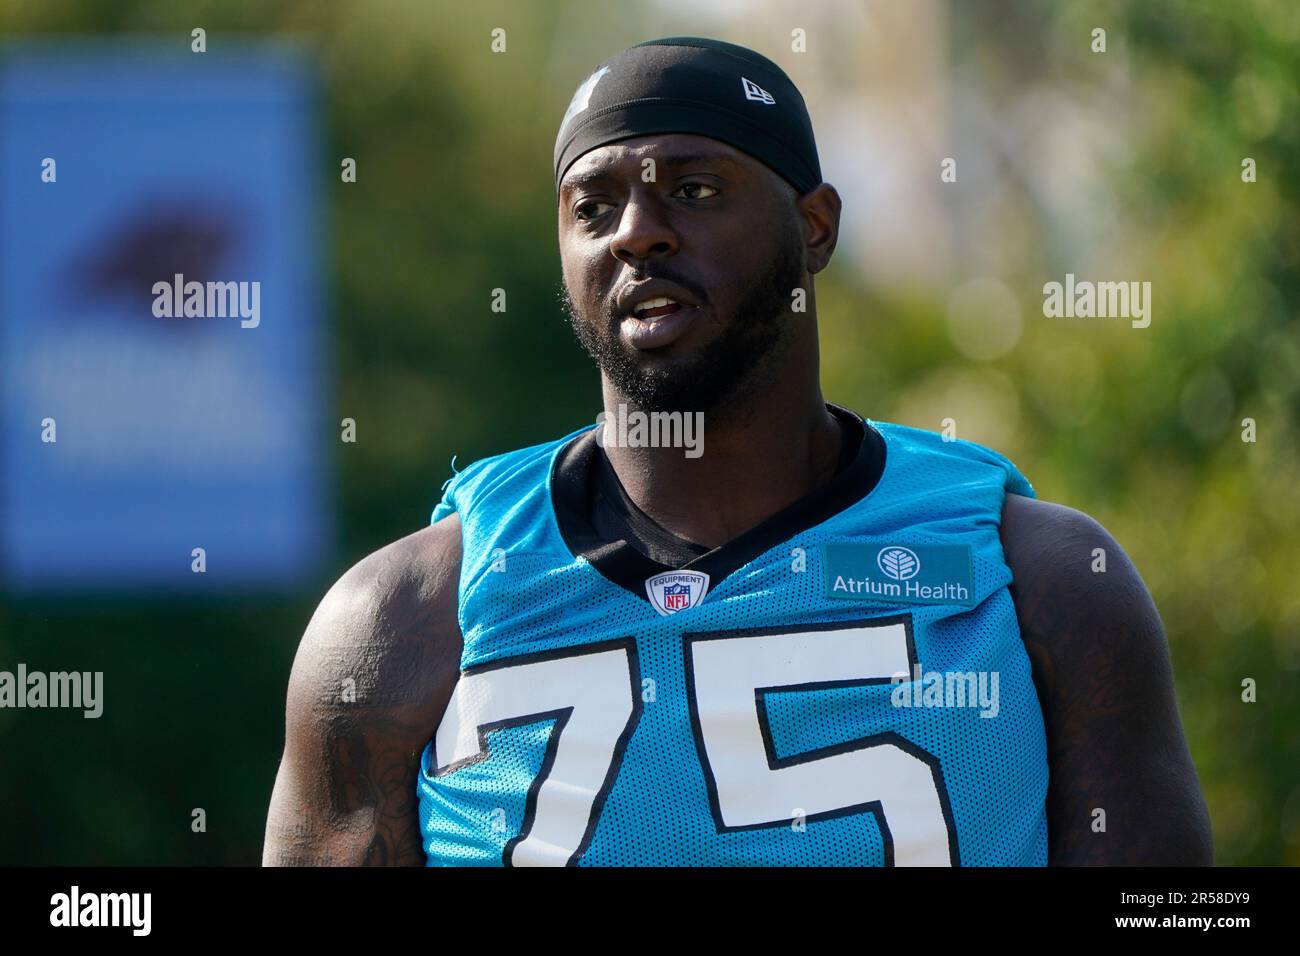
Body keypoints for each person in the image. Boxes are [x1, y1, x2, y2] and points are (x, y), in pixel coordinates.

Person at [263, 36, 1212, 866]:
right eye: (592, 207)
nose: (638, 230)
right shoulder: (403, 621)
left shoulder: (1043, 581)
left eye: (694, 187)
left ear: (815, 226)